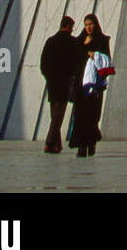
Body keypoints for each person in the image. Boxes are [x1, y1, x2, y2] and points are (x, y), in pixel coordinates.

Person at [70, 12, 111, 158]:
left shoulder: (102, 40)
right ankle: (81, 146)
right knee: (80, 115)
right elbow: (74, 61)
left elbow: (107, 61)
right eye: (86, 25)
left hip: (95, 85)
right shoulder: (79, 41)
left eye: (91, 24)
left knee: (92, 115)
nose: (88, 27)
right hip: (81, 85)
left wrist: (96, 56)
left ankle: (91, 143)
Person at [39, 15, 76, 153]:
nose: (72, 30)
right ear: (68, 26)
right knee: (58, 115)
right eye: (71, 27)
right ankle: (49, 142)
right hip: (64, 82)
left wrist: (49, 77)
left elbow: (43, 63)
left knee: (55, 113)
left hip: (52, 83)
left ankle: (57, 144)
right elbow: (75, 63)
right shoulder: (72, 42)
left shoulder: (50, 41)